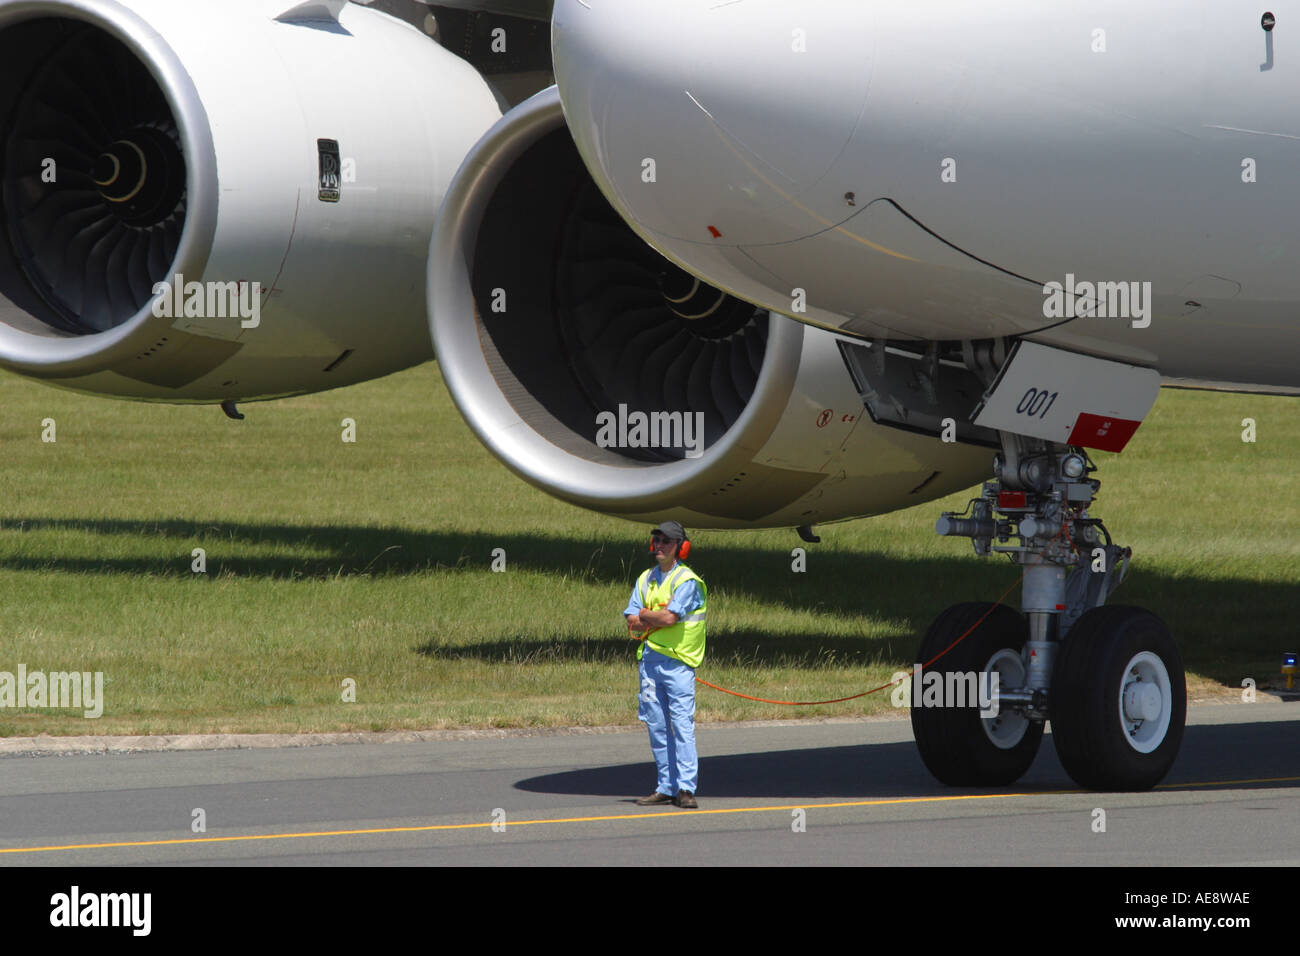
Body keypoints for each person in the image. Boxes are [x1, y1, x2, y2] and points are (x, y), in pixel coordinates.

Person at [623, 520, 707, 808]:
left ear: (680, 548)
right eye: (657, 540)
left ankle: (685, 789)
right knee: (656, 725)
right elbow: (630, 618)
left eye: (666, 541)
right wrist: (652, 614)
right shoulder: (646, 578)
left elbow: (670, 618)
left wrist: (646, 614)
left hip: (679, 663)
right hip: (649, 662)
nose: (659, 545)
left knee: (682, 726)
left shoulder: (687, 582)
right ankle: (666, 786)